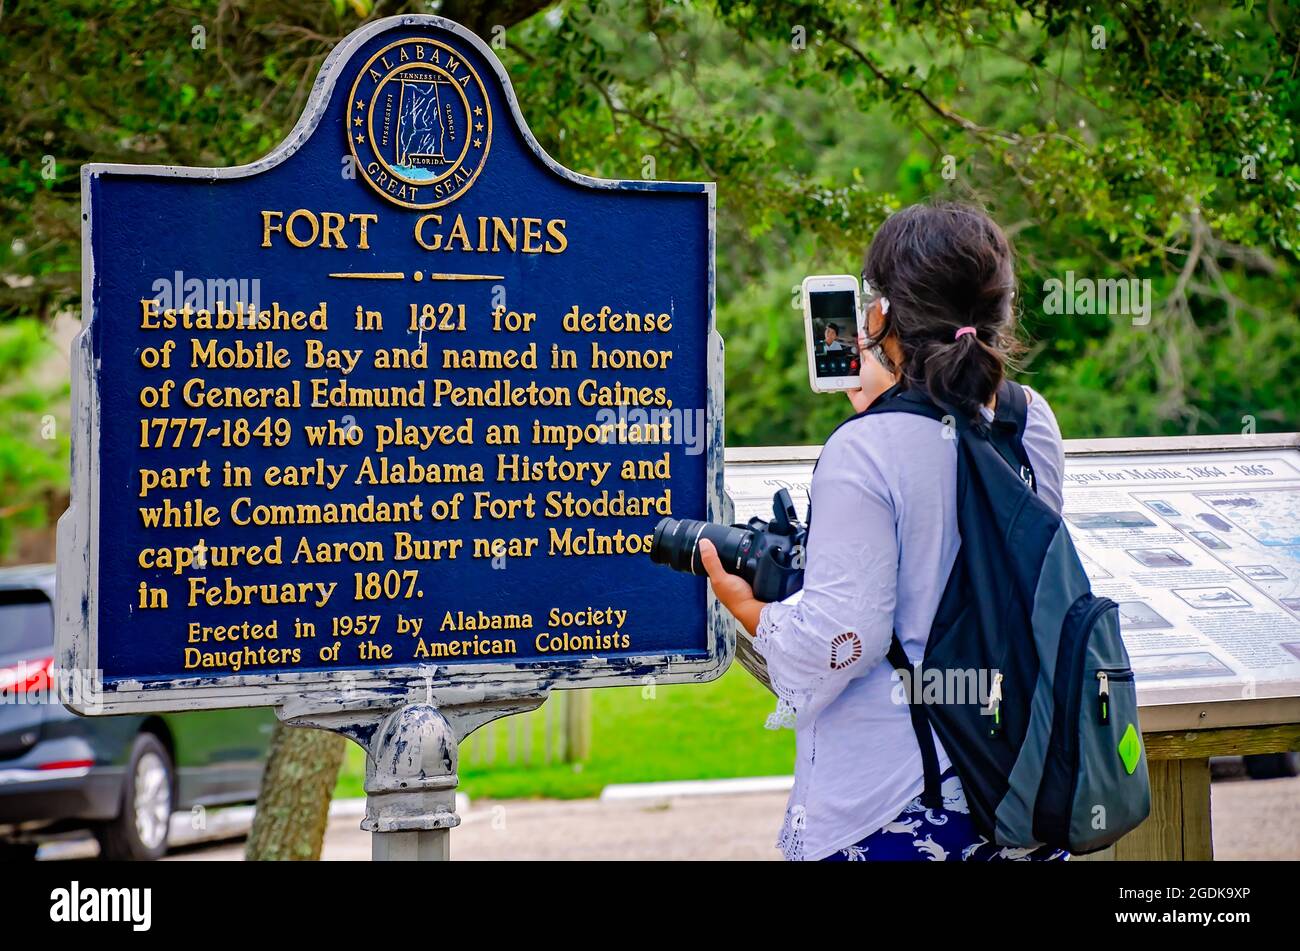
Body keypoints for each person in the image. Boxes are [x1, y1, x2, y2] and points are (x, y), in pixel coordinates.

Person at [698, 202, 1068, 861]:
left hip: (898, 807)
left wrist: (747, 607)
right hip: (1018, 790)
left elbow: (844, 642)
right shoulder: (1029, 419)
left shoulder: (864, 451)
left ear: (879, 316)